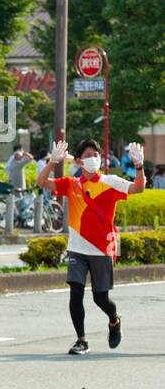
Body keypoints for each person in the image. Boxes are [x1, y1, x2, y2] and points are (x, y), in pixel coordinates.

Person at [37, 138, 145, 355]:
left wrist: (139, 166)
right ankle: (81, 340)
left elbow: (138, 188)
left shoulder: (110, 181)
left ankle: (114, 320)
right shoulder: (71, 183)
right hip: (77, 249)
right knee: (75, 294)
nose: (92, 158)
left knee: (100, 298)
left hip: (101, 249)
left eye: (95, 155)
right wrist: (52, 162)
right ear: (78, 161)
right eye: (87, 155)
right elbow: (42, 183)